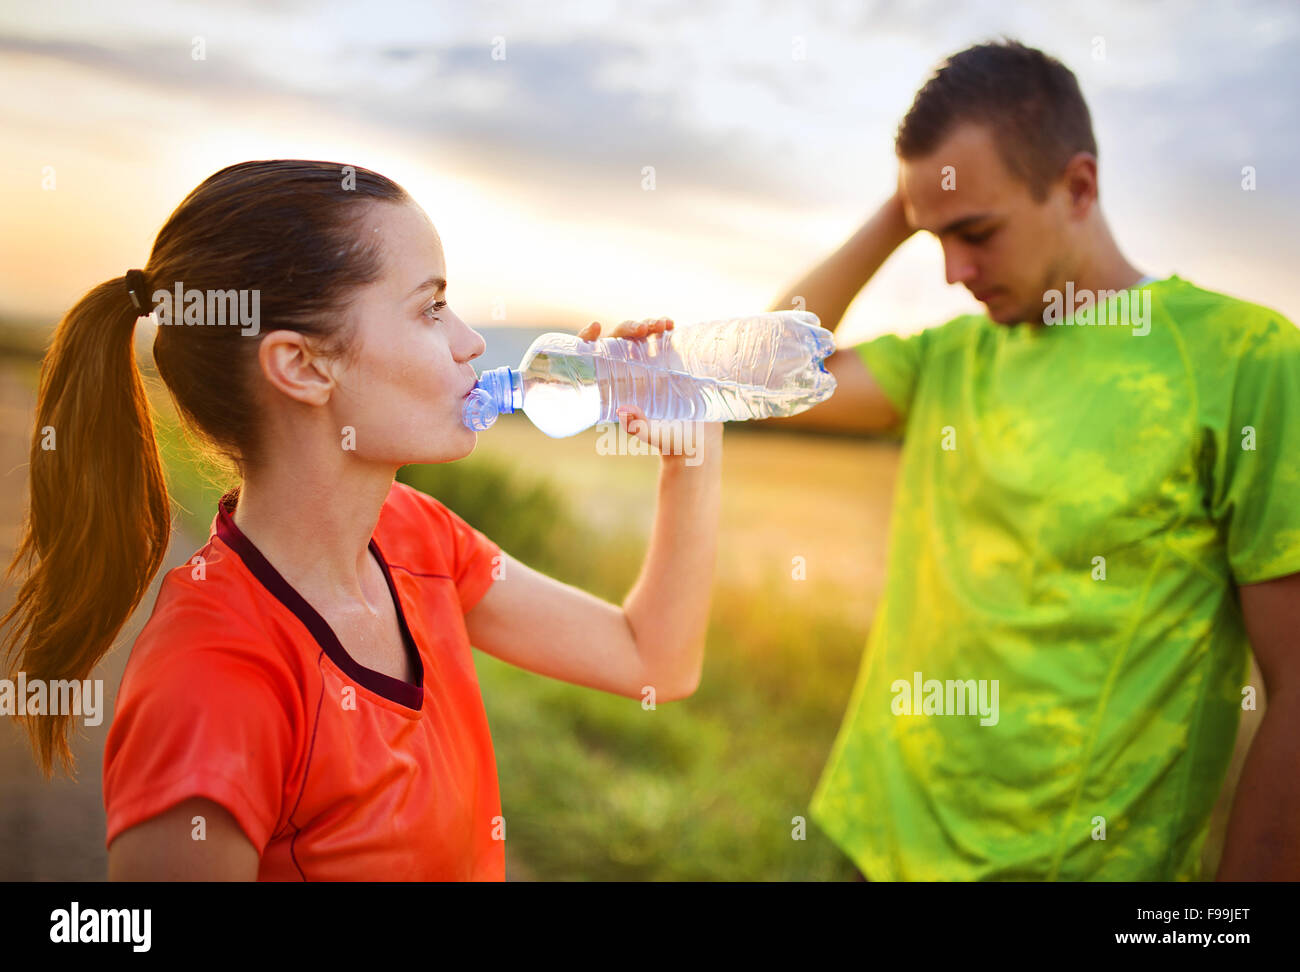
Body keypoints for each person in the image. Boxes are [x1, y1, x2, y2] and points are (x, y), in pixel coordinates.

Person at [0, 159, 722, 880]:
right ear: (305, 366)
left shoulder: (419, 537)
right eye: (430, 309)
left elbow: (652, 659)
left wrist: (691, 451)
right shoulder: (212, 677)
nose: (471, 342)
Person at [767, 40, 1300, 880]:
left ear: (1079, 187)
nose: (952, 271)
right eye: (933, 237)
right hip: (868, 840)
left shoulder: (1244, 360)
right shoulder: (950, 357)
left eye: (976, 232)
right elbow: (765, 377)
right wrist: (904, 207)